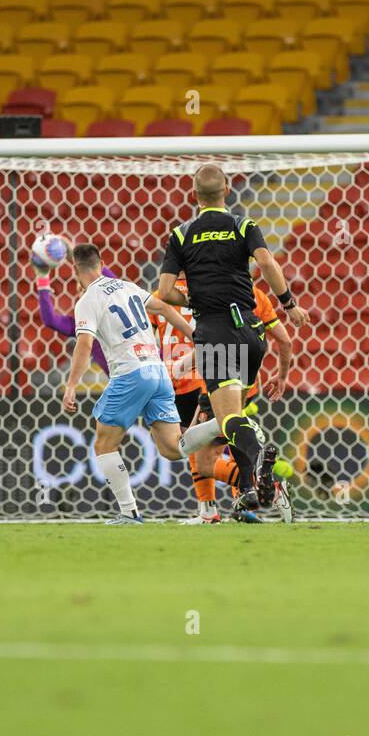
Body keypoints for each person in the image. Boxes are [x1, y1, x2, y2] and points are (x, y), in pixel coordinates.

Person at [155, 164, 309, 518]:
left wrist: (195, 297)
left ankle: (258, 465)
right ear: (227, 188)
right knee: (231, 418)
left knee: (227, 421)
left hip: (217, 334)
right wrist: (290, 304)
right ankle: (250, 485)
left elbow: (164, 292)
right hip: (252, 334)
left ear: (194, 195)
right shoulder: (244, 225)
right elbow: (267, 262)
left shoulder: (181, 235)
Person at [61, 244, 197, 524]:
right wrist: (195, 335)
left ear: (74, 268)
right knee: (173, 449)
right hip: (157, 371)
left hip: (131, 373)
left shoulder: (88, 300)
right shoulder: (127, 286)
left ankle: (129, 512)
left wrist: (71, 385)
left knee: (103, 444)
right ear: (101, 262)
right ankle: (226, 424)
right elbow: (165, 308)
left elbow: (84, 345)